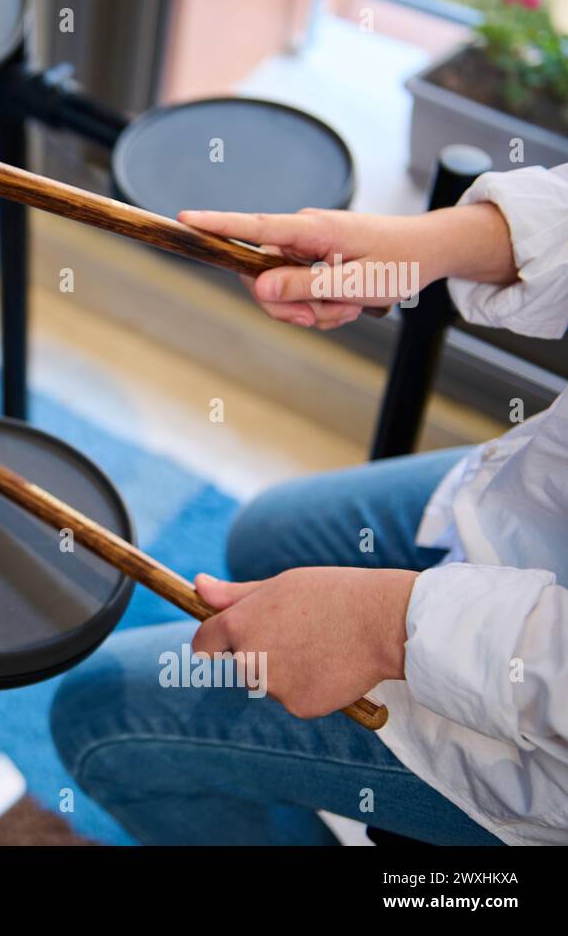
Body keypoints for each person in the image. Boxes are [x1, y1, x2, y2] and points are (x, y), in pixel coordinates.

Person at [50, 163, 568, 845]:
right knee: (269, 539)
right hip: (540, 505)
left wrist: (386, 624)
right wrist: (440, 240)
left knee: (96, 714)